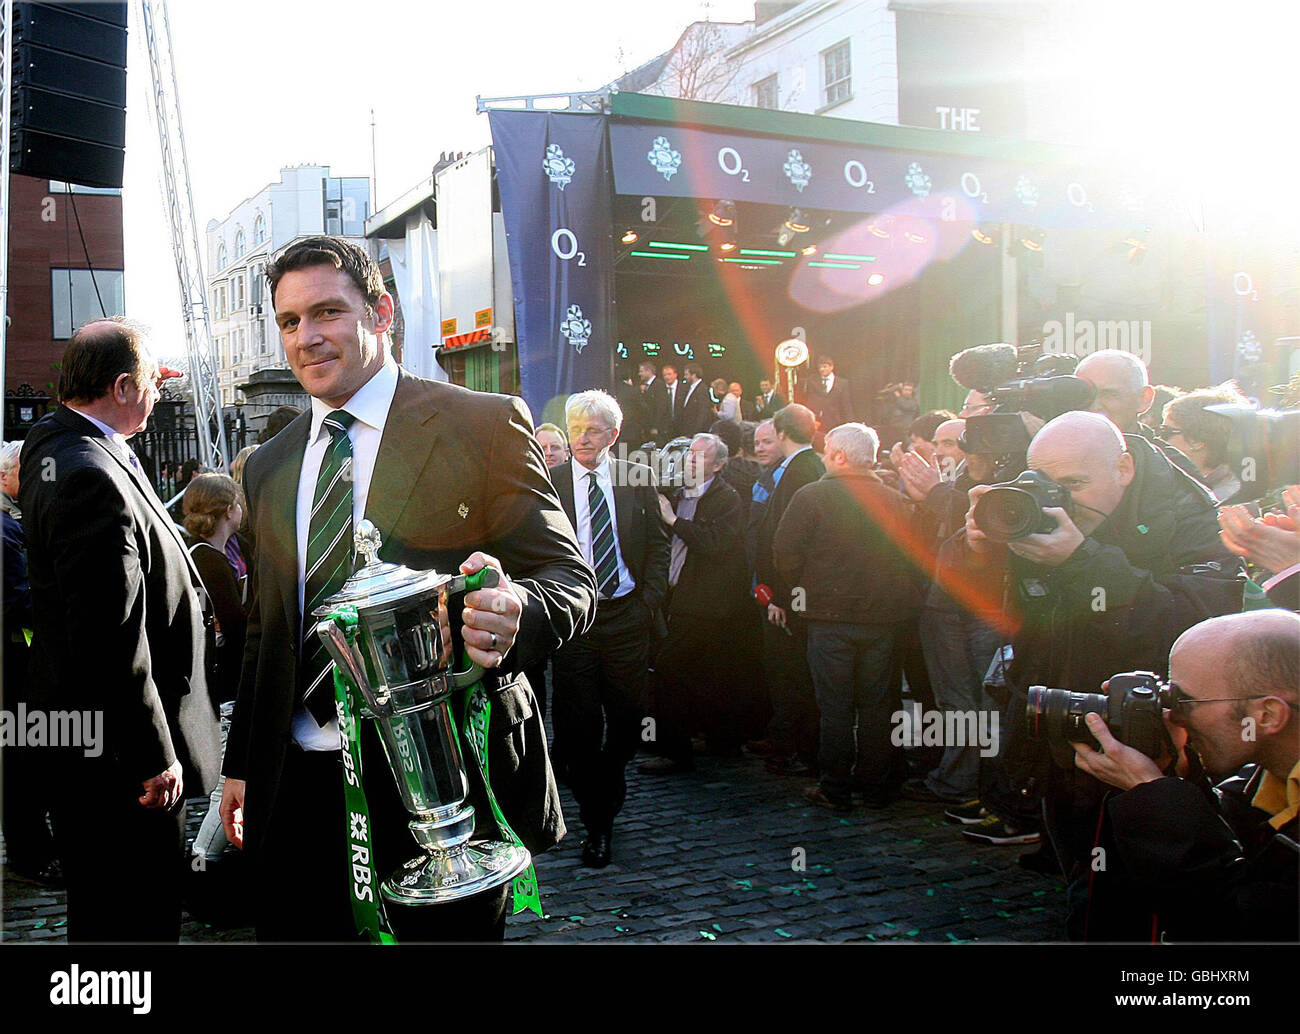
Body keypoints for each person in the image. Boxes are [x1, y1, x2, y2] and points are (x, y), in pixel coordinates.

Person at [219, 236, 595, 942]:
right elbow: (268, 628)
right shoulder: (270, 465)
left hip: (437, 784)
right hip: (295, 784)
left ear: (382, 311)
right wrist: (241, 763)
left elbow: (570, 580)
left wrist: (515, 613)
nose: (307, 337)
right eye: (290, 321)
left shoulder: (481, 424)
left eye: (327, 312)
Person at [960, 411, 1244, 858]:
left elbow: (1195, 629)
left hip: (1146, 736)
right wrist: (985, 551)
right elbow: (1011, 615)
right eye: (1047, 484)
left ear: (1124, 469)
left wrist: (1081, 560)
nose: (1060, 502)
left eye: (1073, 485)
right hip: (1057, 718)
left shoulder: (1191, 515)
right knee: (1077, 865)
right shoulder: (1040, 508)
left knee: (1134, 875)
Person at [20, 318, 220, 941]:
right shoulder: (87, 471)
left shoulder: (59, 443)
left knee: (112, 908)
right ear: (125, 385)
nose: (160, 394)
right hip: (119, 765)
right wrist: (152, 756)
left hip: (92, 746)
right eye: (152, 381)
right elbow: (109, 636)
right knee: (131, 913)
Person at [1072, 609, 1299, 941]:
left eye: (1183, 701)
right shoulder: (1270, 780)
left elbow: (1234, 927)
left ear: (1266, 715)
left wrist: (1152, 796)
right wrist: (1178, 778)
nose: (1171, 717)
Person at [775, 423, 925, 809]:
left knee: (835, 707)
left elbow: (784, 556)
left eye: (827, 450)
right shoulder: (897, 501)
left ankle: (836, 787)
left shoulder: (811, 497)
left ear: (839, 456)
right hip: (885, 620)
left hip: (829, 620)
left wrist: (802, 591)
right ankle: (876, 787)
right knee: (878, 706)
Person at [549, 389, 669, 868]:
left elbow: (658, 546)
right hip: (575, 620)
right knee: (578, 727)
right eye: (575, 428)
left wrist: (648, 602)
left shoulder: (635, 479)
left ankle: (607, 785)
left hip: (626, 615)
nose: (581, 438)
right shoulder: (549, 481)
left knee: (627, 719)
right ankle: (597, 821)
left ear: (613, 436)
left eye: (592, 430)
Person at [642, 433, 751, 773]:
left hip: (706, 602)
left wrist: (675, 521)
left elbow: (717, 543)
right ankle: (714, 739)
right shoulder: (676, 493)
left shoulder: (726, 497)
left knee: (672, 670)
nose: (690, 460)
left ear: (718, 466)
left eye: (699, 457)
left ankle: (677, 751)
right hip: (676, 596)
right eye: (689, 454)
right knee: (699, 672)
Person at [755, 404, 825, 776]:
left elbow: (785, 541)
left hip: (791, 597)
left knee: (792, 676)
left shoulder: (798, 471)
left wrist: (779, 597)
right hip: (799, 592)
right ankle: (795, 745)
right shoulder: (813, 467)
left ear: (782, 434)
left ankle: (799, 750)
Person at [183, 473, 248, 863]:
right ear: (229, 510)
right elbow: (236, 627)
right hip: (224, 687)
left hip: (214, 683)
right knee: (225, 786)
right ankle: (203, 864)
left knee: (223, 786)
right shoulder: (209, 560)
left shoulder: (204, 554)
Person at [1075, 350, 1202, 482]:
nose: (1094, 406)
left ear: (1144, 398)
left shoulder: (1172, 470)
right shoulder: (1056, 454)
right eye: (1085, 395)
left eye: (1109, 394)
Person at [1158, 382, 1253, 503]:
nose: (1159, 440)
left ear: (1196, 441)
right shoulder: (1205, 488)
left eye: (1165, 432)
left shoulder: (1222, 500)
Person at [806, 356, 854, 432]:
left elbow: (846, 404)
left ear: (831, 367)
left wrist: (850, 423)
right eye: (820, 367)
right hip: (818, 421)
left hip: (836, 421)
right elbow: (809, 400)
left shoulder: (842, 383)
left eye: (825, 367)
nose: (822, 369)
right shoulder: (812, 381)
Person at [676, 364, 714, 437]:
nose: (684, 377)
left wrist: (696, 432)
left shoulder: (702, 389)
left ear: (694, 375)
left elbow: (703, 412)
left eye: (686, 374)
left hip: (695, 432)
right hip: (688, 430)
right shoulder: (689, 388)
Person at [639, 361, 670, 445]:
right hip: (648, 427)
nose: (639, 374)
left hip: (658, 429)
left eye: (641, 371)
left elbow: (661, 406)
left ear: (648, 371)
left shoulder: (659, 385)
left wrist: (655, 426)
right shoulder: (644, 386)